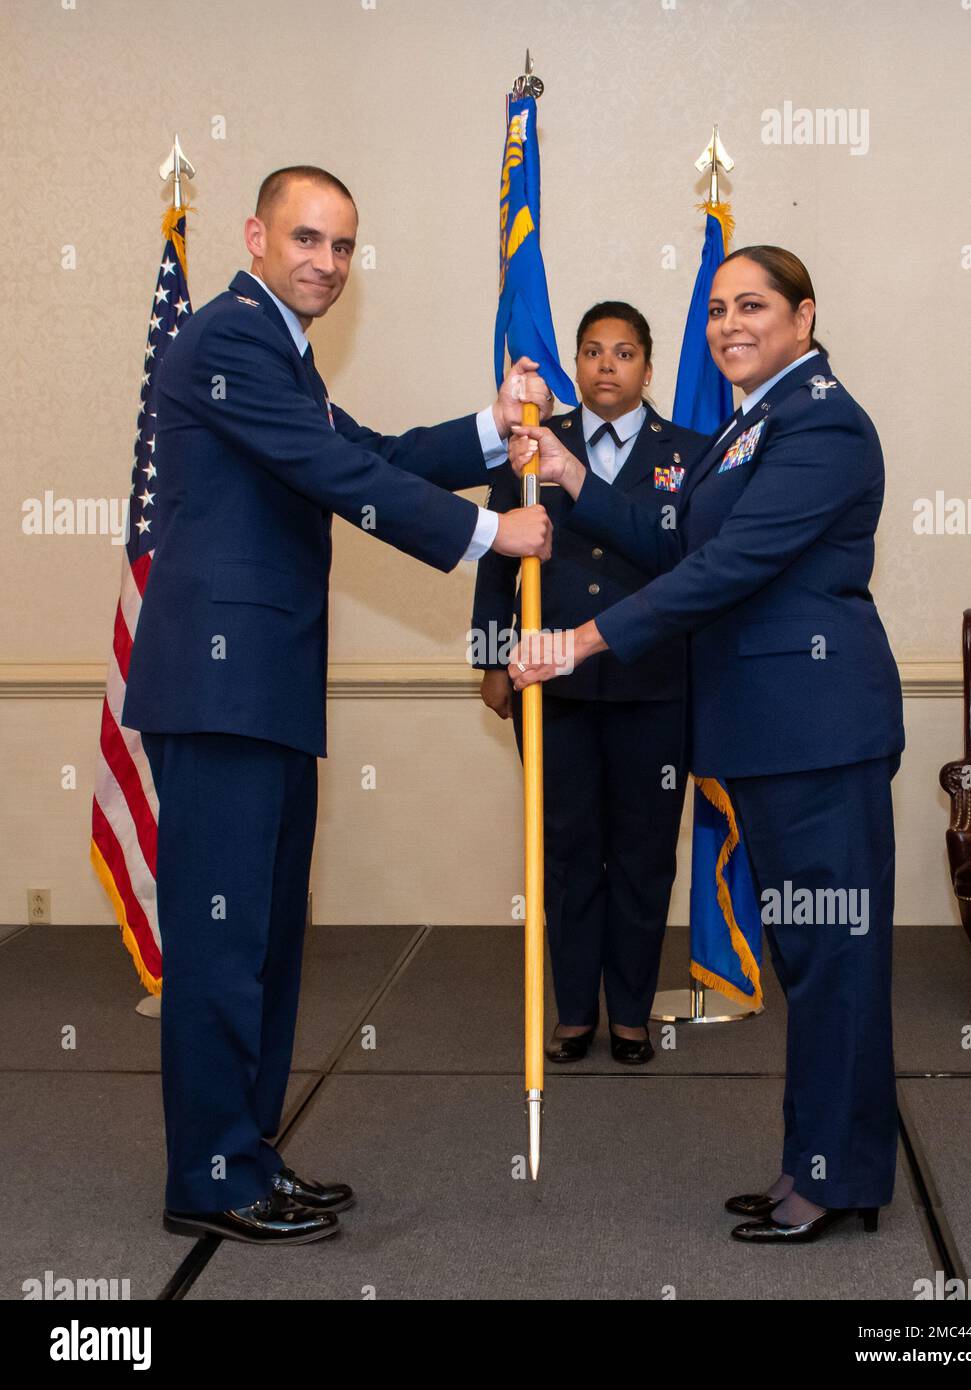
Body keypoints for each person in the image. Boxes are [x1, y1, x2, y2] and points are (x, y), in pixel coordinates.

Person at [121, 165, 553, 1246]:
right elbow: (330, 469)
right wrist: (486, 536)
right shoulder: (229, 336)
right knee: (224, 944)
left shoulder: (279, 352)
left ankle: (246, 1153)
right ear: (255, 236)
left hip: (259, 689)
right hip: (222, 689)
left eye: (344, 246)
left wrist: (490, 433)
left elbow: (364, 455)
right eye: (306, 238)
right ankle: (210, 1177)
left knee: (264, 935)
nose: (325, 261)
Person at [508, 246, 905, 1244]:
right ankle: (817, 1167)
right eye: (717, 307)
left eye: (752, 305)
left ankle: (830, 1178)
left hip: (816, 731)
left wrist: (584, 639)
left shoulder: (821, 423)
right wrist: (568, 475)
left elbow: (724, 566)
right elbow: (674, 525)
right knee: (809, 958)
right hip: (769, 734)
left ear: (802, 317)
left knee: (832, 959)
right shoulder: (749, 424)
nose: (728, 322)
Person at [472, 302, 707, 1064]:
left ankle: (632, 1014)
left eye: (625, 353)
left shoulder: (690, 454)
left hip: (653, 683)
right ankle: (574, 1012)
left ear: (648, 367)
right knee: (567, 851)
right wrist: (488, 657)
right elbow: (494, 555)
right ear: (574, 365)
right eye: (594, 352)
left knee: (642, 854)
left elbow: (690, 565)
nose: (608, 366)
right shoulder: (532, 445)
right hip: (551, 686)